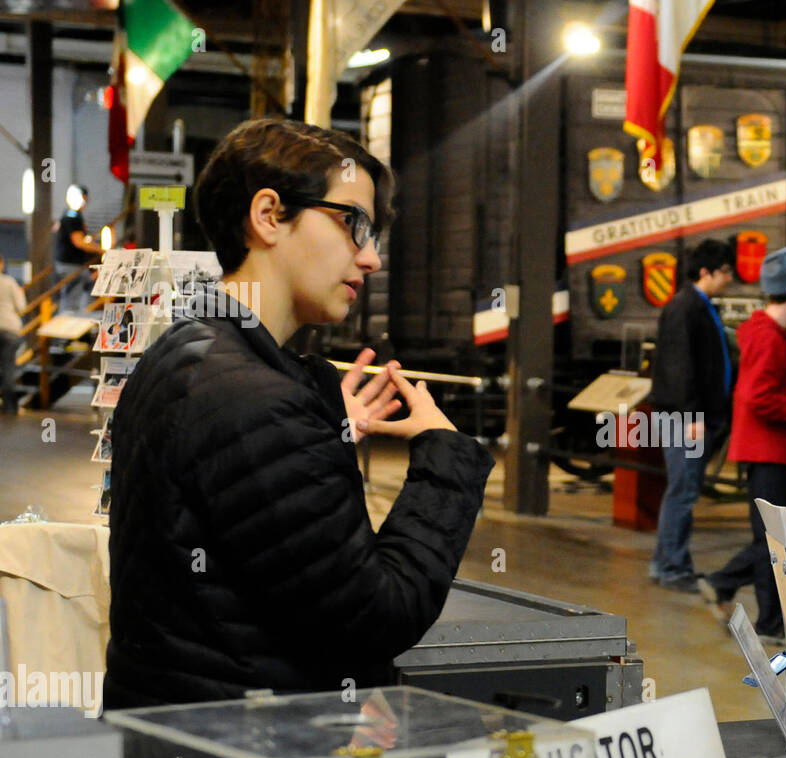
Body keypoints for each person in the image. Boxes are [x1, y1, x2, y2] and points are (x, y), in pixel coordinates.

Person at [104, 118, 495, 707]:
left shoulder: (186, 351)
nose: (371, 260)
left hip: (183, 746)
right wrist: (444, 456)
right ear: (268, 216)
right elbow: (375, 618)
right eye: (353, 224)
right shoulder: (255, 403)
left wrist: (318, 433)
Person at [699, 247, 786, 639]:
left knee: (777, 541)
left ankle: (770, 622)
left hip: (763, 451)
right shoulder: (770, 339)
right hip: (769, 451)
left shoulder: (760, 333)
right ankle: (723, 582)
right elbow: (758, 397)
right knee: (779, 542)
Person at [646, 238, 734, 592]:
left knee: (683, 489)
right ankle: (672, 567)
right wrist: (694, 416)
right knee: (682, 491)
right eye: (725, 271)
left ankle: (665, 561)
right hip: (685, 420)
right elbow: (680, 367)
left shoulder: (698, 306)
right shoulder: (686, 308)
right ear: (706, 272)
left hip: (691, 417)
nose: (730, 278)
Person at [53, 184, 101, 314]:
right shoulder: (73, 216)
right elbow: (79, 242)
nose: (84, 203)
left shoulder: (67, 215)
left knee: (74, 295)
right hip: (71, 263)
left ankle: (73, 320)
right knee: (73, 302)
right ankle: (71, 325)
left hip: (66, 263)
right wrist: (100, 249)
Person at [0, 254, 28, 414]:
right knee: (8, 368)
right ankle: (10, 407)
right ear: (1, 264)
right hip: (9, 329)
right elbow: (21, 306)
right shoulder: (10, 283)